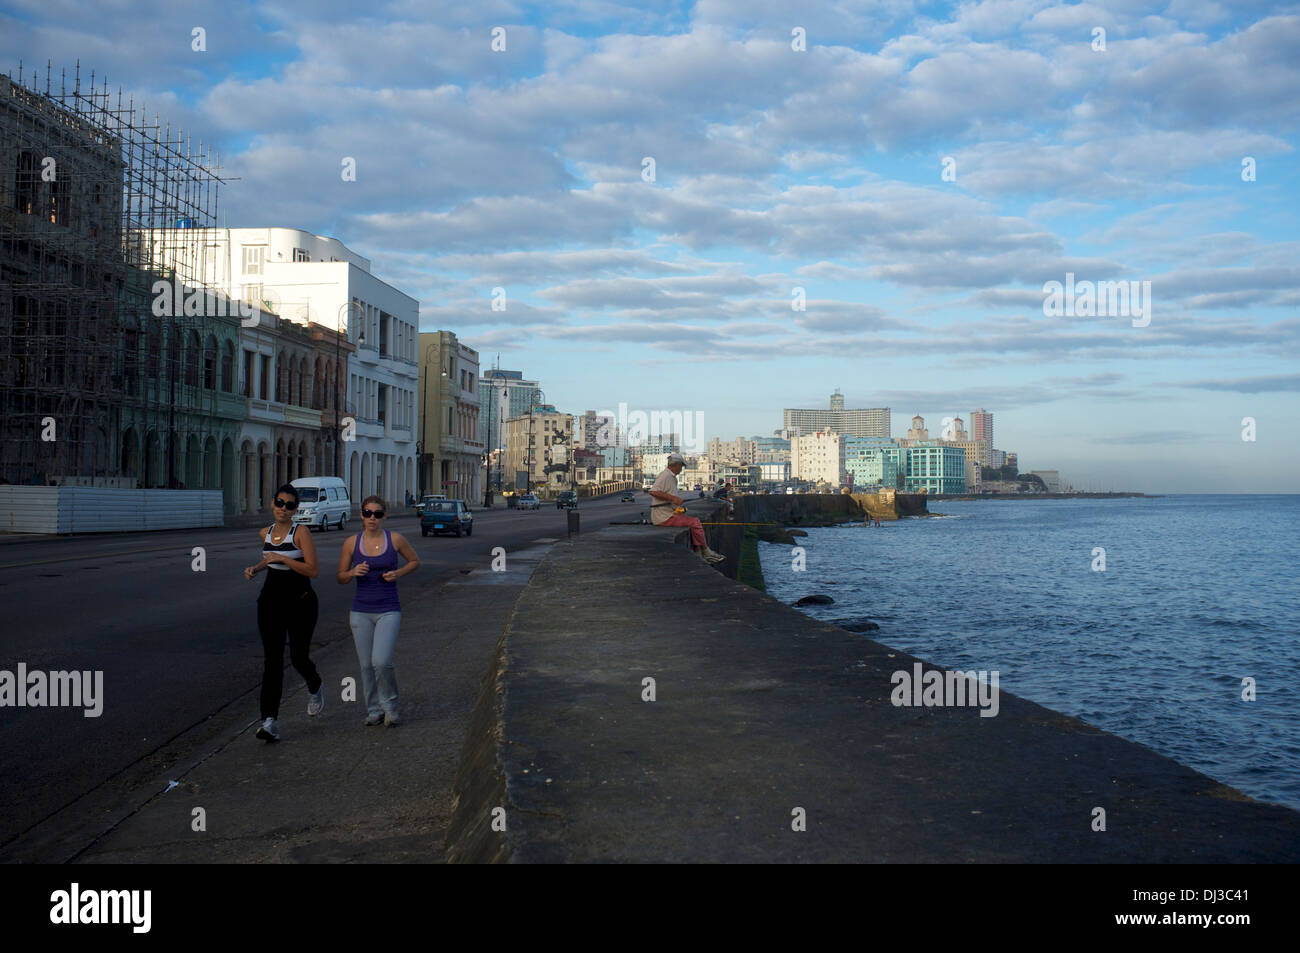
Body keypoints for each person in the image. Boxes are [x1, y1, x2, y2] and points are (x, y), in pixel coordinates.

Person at [243, 483, 325, 743]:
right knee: (272, 661)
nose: (283, 509)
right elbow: (270, 560)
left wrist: (286, 560)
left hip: (301, 602)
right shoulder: (264, 533)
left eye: (290, 505)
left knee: (299, 657)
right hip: (270, 602)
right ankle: (269, 721)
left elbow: (312, 570)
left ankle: (315, 685)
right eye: (280, 503)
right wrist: (256, 568)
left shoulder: (300, 532)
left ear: (295, 509)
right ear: (272, 503)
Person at [337, 495, 420, 726]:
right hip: (360, 610)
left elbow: (414, 561)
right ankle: (374, 710)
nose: (372, 518)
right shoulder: (351, 543)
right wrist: (352, 572)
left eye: (377, 514)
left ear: (384, 516)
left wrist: (398, 573)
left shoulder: (395, 539)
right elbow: (340, 576)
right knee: (366, 665)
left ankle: (390, 706)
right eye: (367, 513)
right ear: (362, 515)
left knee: (381, 661)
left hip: (388, 608)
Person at [648, 453, 725, 563]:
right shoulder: (666, 476)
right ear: (676, 465)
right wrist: (673, 498)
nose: (681, 469)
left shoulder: (670, 477)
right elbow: (653, 491)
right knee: (695, 522)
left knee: (691, 521)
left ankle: (699, 552)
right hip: (664, 517)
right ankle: (706, 551)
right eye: (681, 466)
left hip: (667, 514)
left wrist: (675, 502)